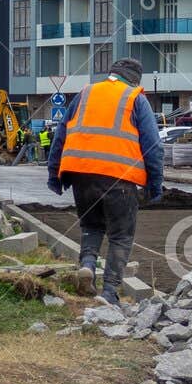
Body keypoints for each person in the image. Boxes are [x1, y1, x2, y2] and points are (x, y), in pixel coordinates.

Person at [46, 58, 164, 306]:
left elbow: (61, 134)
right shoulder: (135, 98)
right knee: (120, 236)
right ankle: (109, 292)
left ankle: (87, 265)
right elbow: (153, 146)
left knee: (91, 226)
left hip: (80, 175)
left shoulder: (85, 94)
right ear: (134, 80)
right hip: (118, 177)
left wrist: (54, 173)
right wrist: (155, 184)